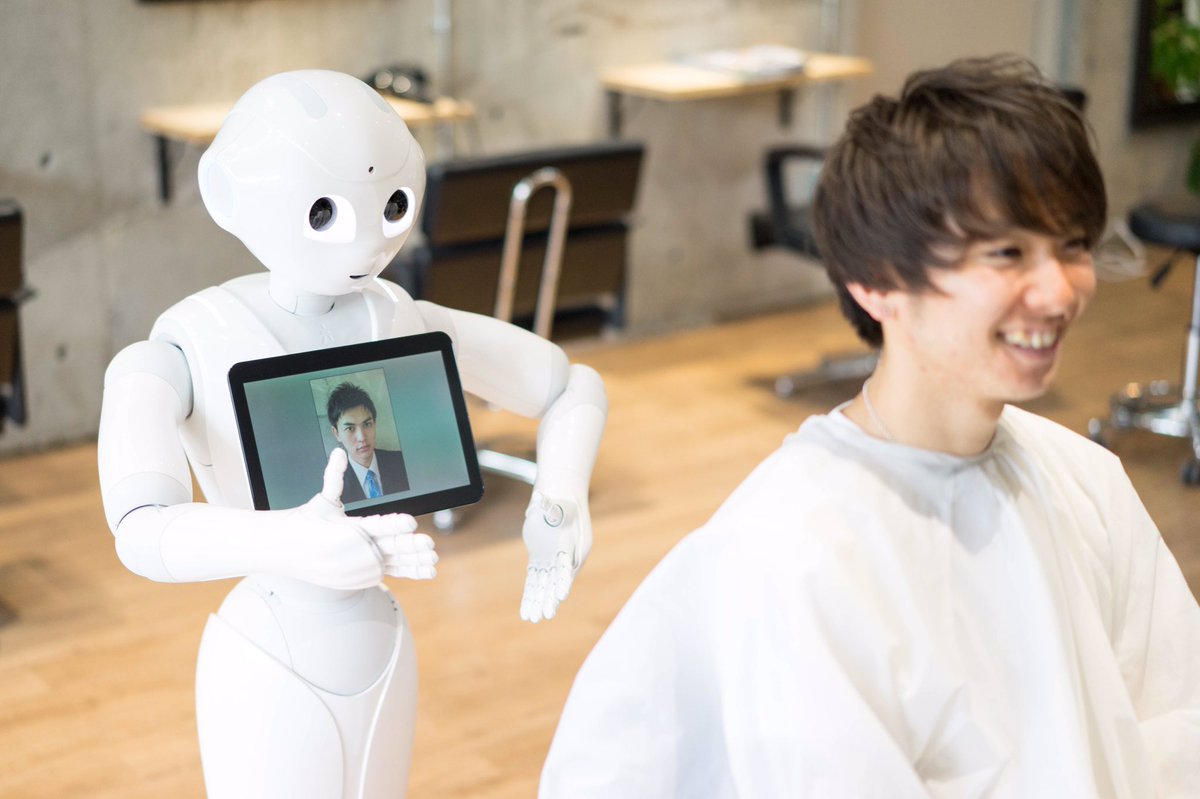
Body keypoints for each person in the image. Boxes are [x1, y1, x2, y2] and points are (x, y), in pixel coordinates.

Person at [540, 54, 1200, 798]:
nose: (1058, 291)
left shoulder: (1085, 478)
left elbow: (1180, 720)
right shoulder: (799, 554)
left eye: (1072, 246)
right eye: (1008, 253)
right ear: (878, 280)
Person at [98, 70, 607, 797]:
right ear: (224, 195)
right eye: (327, 212)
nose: (369, 241)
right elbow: (140, 528)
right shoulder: (181, 349)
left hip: (382, 636)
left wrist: (560, 498)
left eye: (393, 205)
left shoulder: (400, 316)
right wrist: (284, 539)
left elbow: (566, 385)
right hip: (269, 646)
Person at [326, 381, 410, 500]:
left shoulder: (403, 462)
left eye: (367, 424)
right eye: (350, 428)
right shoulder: (333, 486)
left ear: (374, 424)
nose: (362, 437)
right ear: (337, 433)